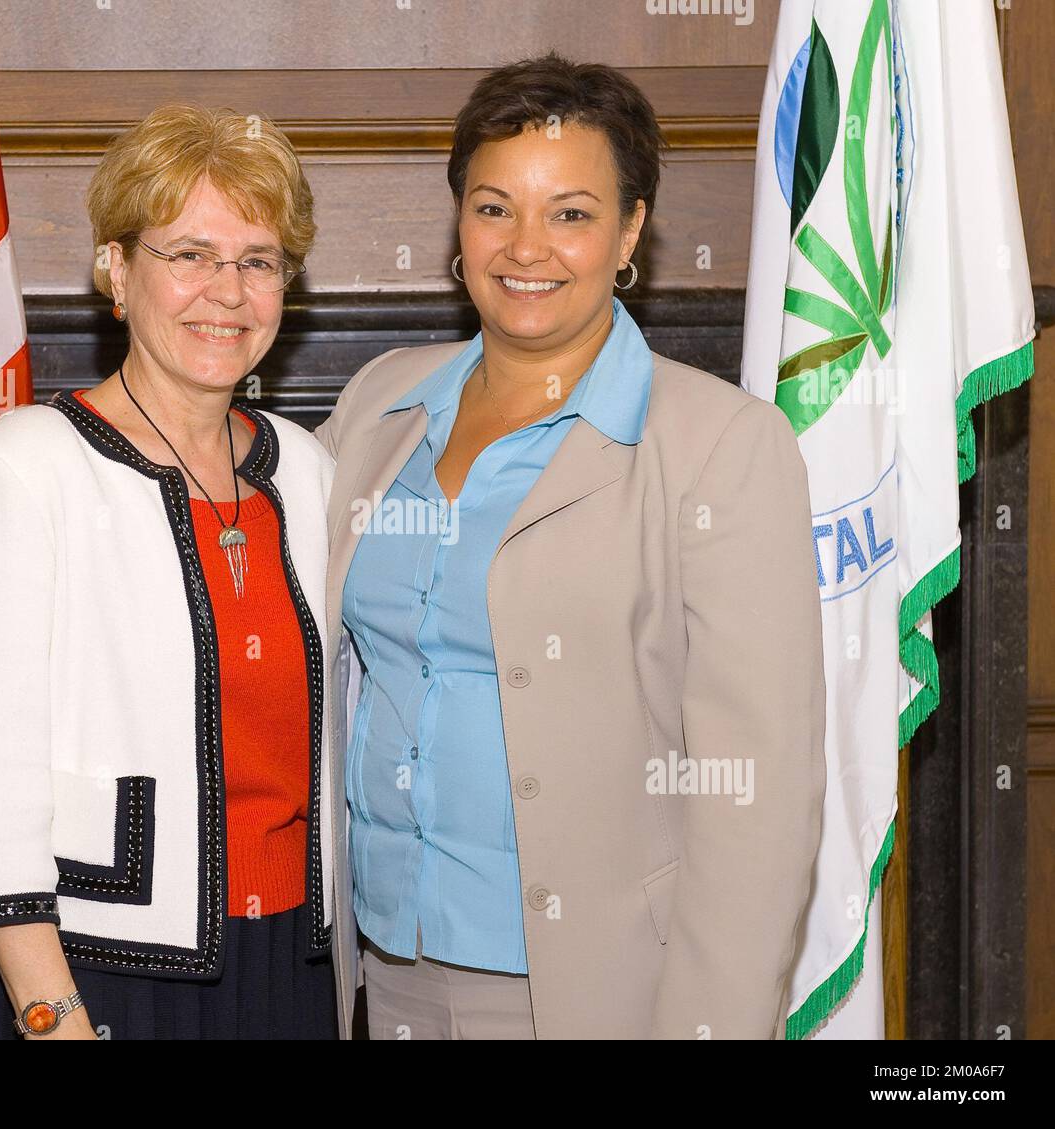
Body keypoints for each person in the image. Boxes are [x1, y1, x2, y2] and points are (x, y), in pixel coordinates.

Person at [314, 52, 827, 1039]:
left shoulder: (719, 443)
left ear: (631, 228)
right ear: (457, 222)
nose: (525, 246)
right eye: (493, 206)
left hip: (594, 992)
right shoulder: (378, 400)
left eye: (572, 212)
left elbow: (757, 800)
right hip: (380, 973)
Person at [0, 103, 339, 1039]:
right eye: (188, 254)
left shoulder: (311, 473)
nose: (226, 292)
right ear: (117, 269)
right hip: (88, 970)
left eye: (259, 261)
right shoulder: (24, 469)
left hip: (293, 967)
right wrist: (52, 1013)